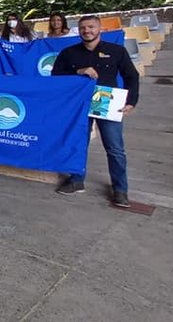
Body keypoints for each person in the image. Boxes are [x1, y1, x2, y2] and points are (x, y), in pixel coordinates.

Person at [51, 15, 139, 208]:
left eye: (91, 27)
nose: (87, 31)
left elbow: (132, 76)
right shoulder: (68, 53)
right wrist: (78, 72)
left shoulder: (116, 51)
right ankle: (76, 180)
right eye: (83, 28)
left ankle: (120, 189)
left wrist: (131, 101)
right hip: (79, 104)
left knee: (115, 148)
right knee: (78, 142)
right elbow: (55, 76)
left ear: (100, 29)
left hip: (106, 101)